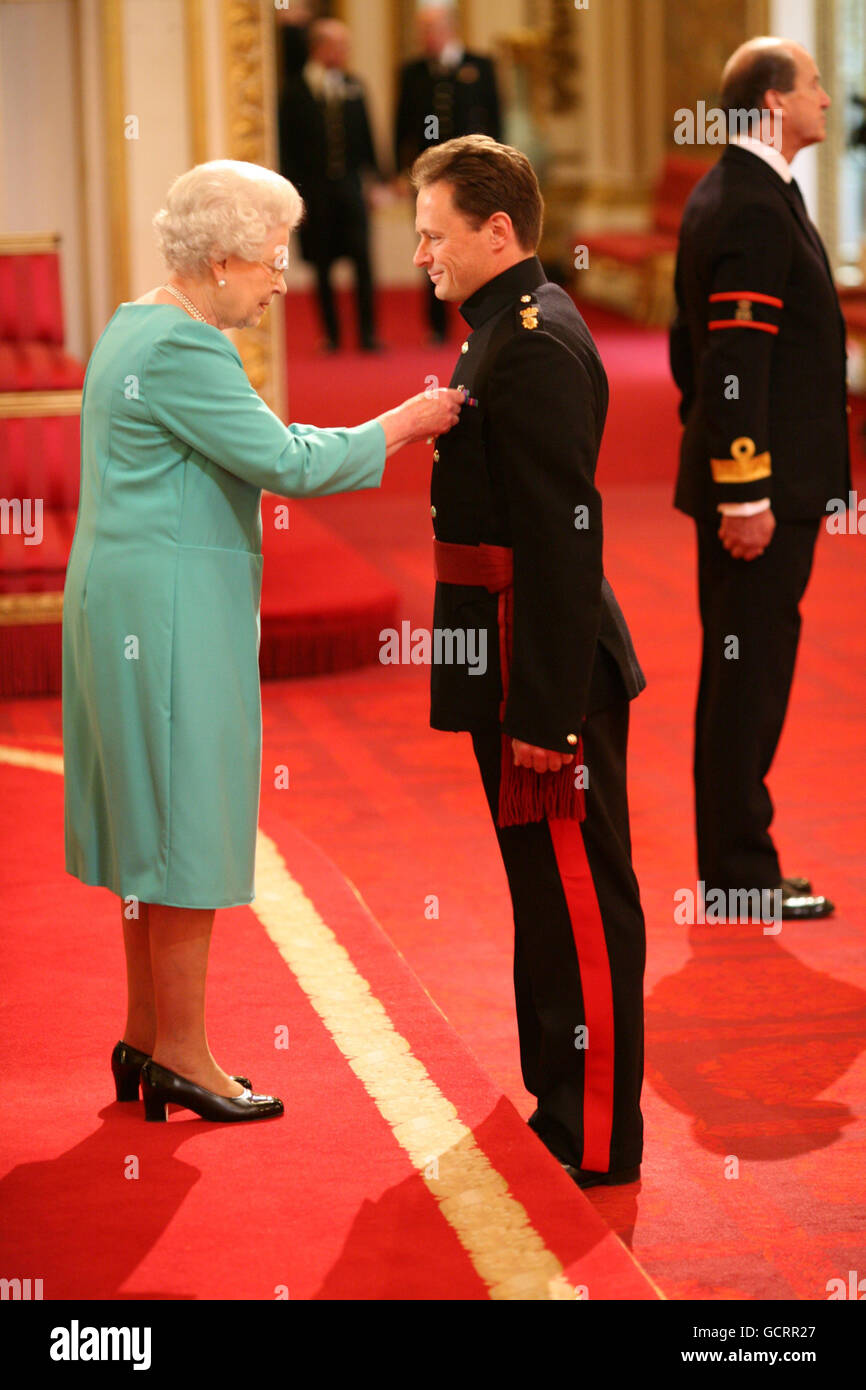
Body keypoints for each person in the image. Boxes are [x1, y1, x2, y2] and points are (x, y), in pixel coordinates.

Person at [62, 159, 462, 1124]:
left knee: (143, 823)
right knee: (185, 817)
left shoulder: (130, 323)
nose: (283, 280)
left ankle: (147, 1035)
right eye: (275, 260)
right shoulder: (188, 350)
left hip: (120, 597)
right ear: (227, 257)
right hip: (167, 610)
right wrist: (405, 423)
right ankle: (188, 1056)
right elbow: (285, 461)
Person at [410, 135, 647, 1188]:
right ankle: (556, 1094)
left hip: (540, 672)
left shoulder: (534, 339)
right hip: (501, 651)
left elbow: (563, 540)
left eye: (433, 234)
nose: (421, 254)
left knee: (582, 901)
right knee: (541, 895)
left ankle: (593, 1133)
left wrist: (545, 719)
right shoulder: (499, 327)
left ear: (494, 230)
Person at [670, 38, 850, 920]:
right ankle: (739, 876)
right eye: (815, 85)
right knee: (749, 673)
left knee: (745, 669)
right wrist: (744, 491)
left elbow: (685, 352)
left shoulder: (746, 191)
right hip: (760, 497)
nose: (829, 98)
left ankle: (736, 864)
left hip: (760, 486)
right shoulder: (748, 203)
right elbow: (733, 360)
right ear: (775, 102)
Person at [395, 3, 501, 344]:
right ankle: (437, 326)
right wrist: (398, 171)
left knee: (479, 246)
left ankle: (485, 318)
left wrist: (497, 170)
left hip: (473, 176)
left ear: (449, 29)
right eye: (421, 30)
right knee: (432, 248)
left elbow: (496, 122)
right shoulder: (412, 72)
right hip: (430, 179)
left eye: (430, 29)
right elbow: (402, 126)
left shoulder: (480, 67)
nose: (424, 37)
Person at [279, 18, 382, 352]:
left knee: (363, 261)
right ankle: (332, 336)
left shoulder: (354, 84)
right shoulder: (294, 91)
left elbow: (367, 136)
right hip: (314, 190)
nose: (343, 53)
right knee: (322, 265)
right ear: (318, 47)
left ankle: (367, 335)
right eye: (337, 45)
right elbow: (287, 147)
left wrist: (378, 180)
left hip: (351, 188)